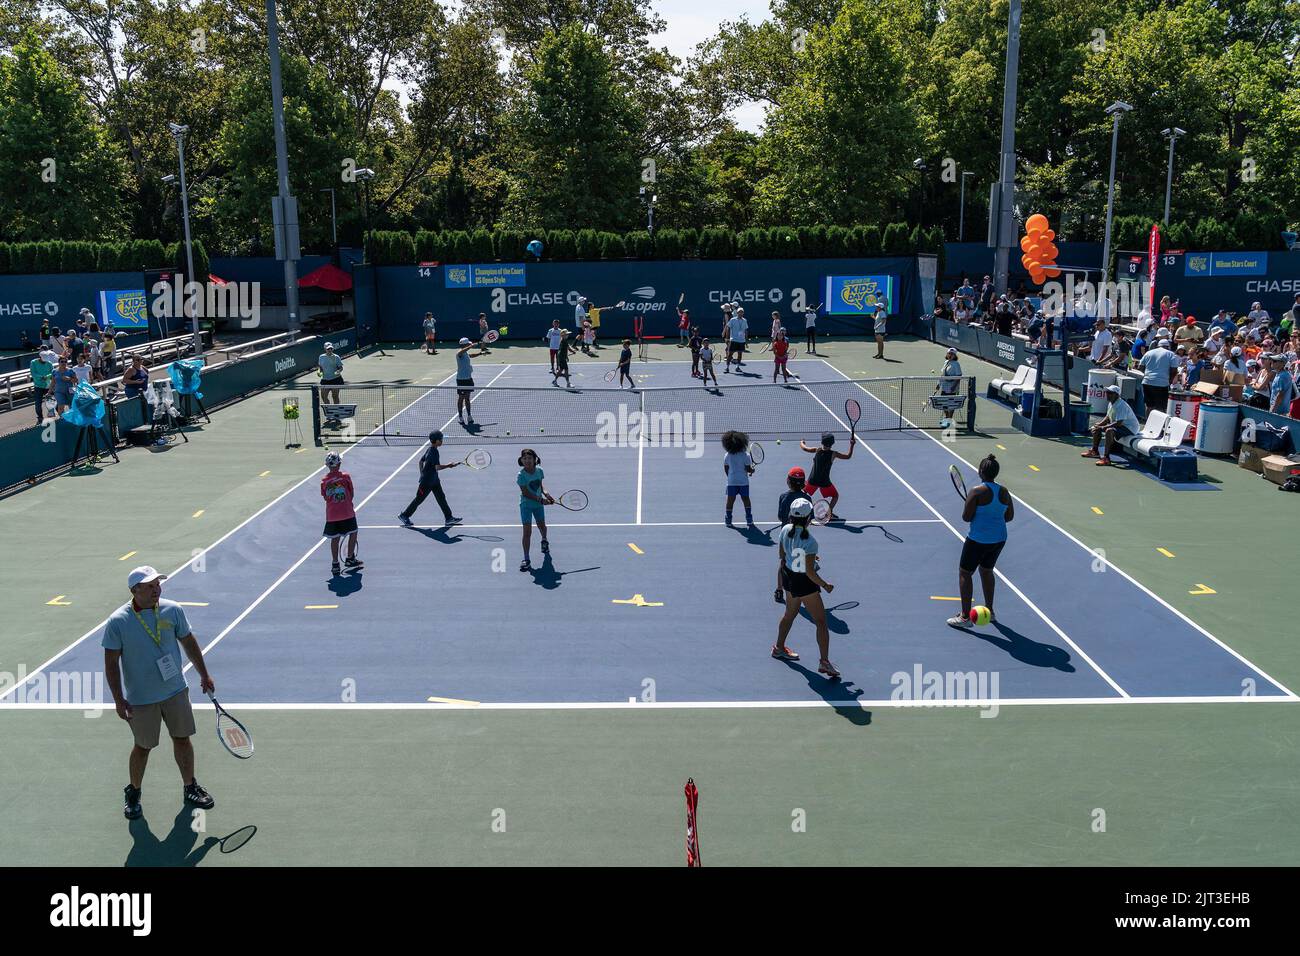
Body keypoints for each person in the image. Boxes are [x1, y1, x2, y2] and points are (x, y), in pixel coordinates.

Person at [103, 565, 216, 821]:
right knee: (143, 747)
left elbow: (188, 642)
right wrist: (119, 700)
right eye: (150, 586)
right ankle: (134, 793)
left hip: (175, 691)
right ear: (135, 591)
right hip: (141, 699)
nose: (157, 590)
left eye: (158, 585)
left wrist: (204, 674)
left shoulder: (172, 610)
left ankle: (190, 786)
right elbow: (111, 664)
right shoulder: (118, 621)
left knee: (182, 739)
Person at [772, 499, 838, 680]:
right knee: (821, 622)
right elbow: (809, 572)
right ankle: (824, 662)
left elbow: (782, 555)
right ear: (809, 518)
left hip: (788, 577)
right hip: (804, 583)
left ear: (791, 516)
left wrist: (805, 558)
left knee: (789, 614)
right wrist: (825, 585)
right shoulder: (810, 541)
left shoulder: (784, 529)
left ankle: (778, 648)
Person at [948, 455, 1013, 629]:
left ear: (981, 471)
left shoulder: (976, 491)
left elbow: (966, 517)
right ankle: (990, 611)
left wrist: (976, 511)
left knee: (965, 573)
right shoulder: (1004, 491)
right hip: (999, 539)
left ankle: (965, 617)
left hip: (978, 540)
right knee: (986, 571)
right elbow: (1009, 516)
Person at [397, 430, 462, 527]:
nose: (442, 440)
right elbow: (437, 467)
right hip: (427, 483)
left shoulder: (430, 449)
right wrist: (449, 465)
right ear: (436, 440)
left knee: (441, 498)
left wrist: (421, 474)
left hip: (434, 481)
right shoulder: (434, 452)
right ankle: (404, 515)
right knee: (419, 499)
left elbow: (420, 461)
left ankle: (449, 518)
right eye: (441, 439)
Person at [321, 453, 363, 577]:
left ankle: (335, 564)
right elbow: (351, 493)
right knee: (353, 532)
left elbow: (325, 497)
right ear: (339, 464)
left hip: (332, 515)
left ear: (327, 466)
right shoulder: (346, 477)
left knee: (335, 538)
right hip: (347, 513)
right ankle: (350, 558)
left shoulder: (324, 481)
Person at [774, 467, 812, 603]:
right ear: (803, 483)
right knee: (801, 564)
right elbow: (808, 519)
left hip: (785, 536)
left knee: (783, 562)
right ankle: (801, 591)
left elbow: (780, 517)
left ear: (788, 481)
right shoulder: (807, 498)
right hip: (801, 537)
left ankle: (779, 590)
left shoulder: (783, 497)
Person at [800, 432, 854, 520]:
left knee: (803, 494)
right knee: (835, 496)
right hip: (824, 482)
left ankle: (801, 511)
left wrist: (802, 442)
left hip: (813, 480)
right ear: (832, 444)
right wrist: (852, 445)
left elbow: (804, 448)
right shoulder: (834, 454)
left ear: (822, 442)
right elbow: (848, 456)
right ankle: (828, 513)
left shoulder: (817, 450)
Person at [1082, 385, 1141, 466]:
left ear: (1116, 395)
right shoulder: (1111, 403)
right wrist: (1099, 425)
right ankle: (1094, 451)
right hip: (1121, 426)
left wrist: (1103, 427)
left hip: (1130, 428)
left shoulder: (1122, 406)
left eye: (1110, 393)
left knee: (1109, 431)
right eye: (1107, 392)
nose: (1107, 394)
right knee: (1097, 428)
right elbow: (1107, 417)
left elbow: (1118, 423)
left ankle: (1106, 458)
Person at [516, 448, 553, 572]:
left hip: (538, 505)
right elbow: (525, 493)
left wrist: (547, 494)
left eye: (529, 458)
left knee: (542, 526)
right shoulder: (521, 475)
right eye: (525, 458)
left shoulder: (539, 471)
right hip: (526, 505)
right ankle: (526, 559)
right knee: (527, 532)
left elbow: (541, 486)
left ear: (534, 459)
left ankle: (544, 540)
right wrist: (541, 500)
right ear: (521, 460)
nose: (527, 461)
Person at [721, 430, 755, 527]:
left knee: (730, 500)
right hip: (743, 482)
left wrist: (730, 477)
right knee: (746, 499)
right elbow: (748, 469)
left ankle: (728, 520)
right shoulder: (746, 455)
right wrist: (752, 471)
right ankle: (749, 519)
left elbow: (726, 468)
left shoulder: (727, 455)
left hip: (731, 481)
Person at [1137, 337, 1177, 415]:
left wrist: (1147, 374)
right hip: (1162, 383)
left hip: (1147, 382)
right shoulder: (1171, 354)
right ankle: (1159, 422)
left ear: (1158, 345)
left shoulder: (1148, 353)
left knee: (1149, 406)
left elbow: (1140, 367)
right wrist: (1170, 380)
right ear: (1168, 346)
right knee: (1161, 407)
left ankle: (1148, 421)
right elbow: (1174, 370)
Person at [455, 336, 487, 425]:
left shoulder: (465, 353)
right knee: (461, 398)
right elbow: (462, 351)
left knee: (467, 398)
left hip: (468, 378)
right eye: (468, 343)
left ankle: (469, 416)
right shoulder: (459, 353)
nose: (469, 344)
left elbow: (470, 356)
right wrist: (471, 346)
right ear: (464, 345)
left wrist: (480, 353)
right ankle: (460, 416)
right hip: (461, 380)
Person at [318, 341, 344, 424]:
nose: (330, 350)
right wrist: (319, 371)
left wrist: (338, 371)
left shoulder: (336, 357)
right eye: (328, 349)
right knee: (324, 397)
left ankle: (337, 414)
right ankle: (329, 413)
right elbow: (320, 367)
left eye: (331, 349)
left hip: (335, 379)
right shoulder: (321, 357)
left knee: (335, 396)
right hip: (325, 380)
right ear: (325, 349)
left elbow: (340, 368)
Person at [29, 349, 55, 424]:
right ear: (40, 357)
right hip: (38, 386)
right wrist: (41, 377)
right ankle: (40, 417)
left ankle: (56, 414)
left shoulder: (49, 363)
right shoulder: (33, 362)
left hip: (48, 386)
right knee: (38, 403)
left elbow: (52, 373)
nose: (45, 361)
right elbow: (33, 373)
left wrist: (47, 376)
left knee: (51, 401)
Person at [723, 307, 748, 373]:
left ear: (743, 313)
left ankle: (737, 367)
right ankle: (727, 367)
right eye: (739, 312)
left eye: (742, 312)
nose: (740, 313)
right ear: (737, 313)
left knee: (740, 354)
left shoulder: (745, 320)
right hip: (733, 340)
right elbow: (728, 328)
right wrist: (727, 338)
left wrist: (746, 340)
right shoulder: (732, 320)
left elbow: (746, 330)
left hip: (741, 341)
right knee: (730, 354)